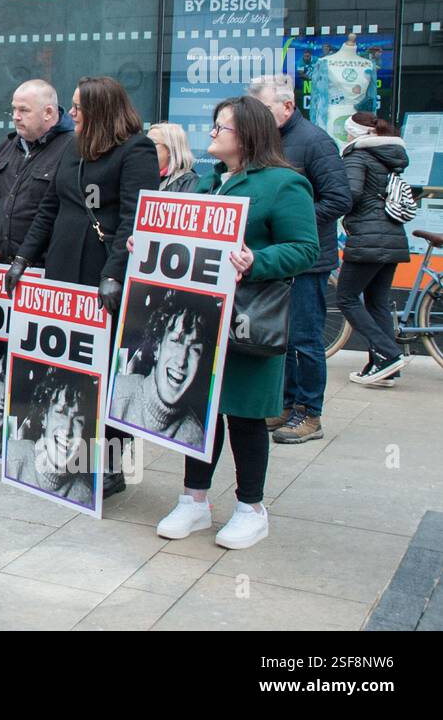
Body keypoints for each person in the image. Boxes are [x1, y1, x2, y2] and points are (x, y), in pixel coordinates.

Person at [156, 95, 318, 549]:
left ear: (247, 134)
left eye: (220, 128)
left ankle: (251, 507)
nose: (211, 134)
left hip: (250, 320)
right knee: (199, 412)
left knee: (244, 414)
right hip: (201, 318)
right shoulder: (209, 183)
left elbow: (305, 248)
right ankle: (195, 500)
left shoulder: (284, 184)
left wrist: (256, 260)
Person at [7, 75, 160, 497]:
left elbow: (135, 217)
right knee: (69, 367)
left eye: (78, 106)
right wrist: (23, 257)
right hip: (62, 267)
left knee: (105, 370)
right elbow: (49, 206)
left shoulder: (137, 150)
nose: (71, 113)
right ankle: (66, 453)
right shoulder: (73, 147)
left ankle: (112, 466)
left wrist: (114, 273)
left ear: (102, 111)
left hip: (104, 274)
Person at [248, 75, 351, 444]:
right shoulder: (272, 140)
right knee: (284, 338)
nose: (255, 118)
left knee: (306, 340)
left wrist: (295, 221)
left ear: (287, 106)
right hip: (280, 258)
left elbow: (340, 199)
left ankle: (310, 413)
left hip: (308, 260)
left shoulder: (314, 142)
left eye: (262, 109)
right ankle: (288, 406)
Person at [0, 79, 74, 275]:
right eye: (13, 110)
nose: (16, 117)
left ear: (48, 112)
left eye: (24, 110)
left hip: (47, 271)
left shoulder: (72, 148)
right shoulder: (7, 146)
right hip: (4, 267)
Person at [337, 111, 411, 387]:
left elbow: (352, 193)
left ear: (356, 134)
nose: (345, 136)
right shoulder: (388, 157)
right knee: (377, 302)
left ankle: (389, 355)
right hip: (391, 237)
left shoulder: (357, 156)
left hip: (368, 239)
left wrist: (333, 203)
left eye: (348, 131)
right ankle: (383, 366)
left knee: (345, 297)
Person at [110, 289, 212, 449]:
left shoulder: (194, 435)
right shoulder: (117, 394)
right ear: (157, 345)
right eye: (176, 341)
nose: (181, 361)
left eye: (195, 349)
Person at [2, 369, 95, 506]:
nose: (68, 428)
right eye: (60, 412)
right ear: (44, 416)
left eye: (78, 420)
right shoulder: (12, 457)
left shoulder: (85, 496)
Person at [147, 122, 200, 193]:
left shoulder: (188, 182)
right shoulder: (144, 178)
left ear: (171, 149)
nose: (145, 148)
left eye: (152, 143)